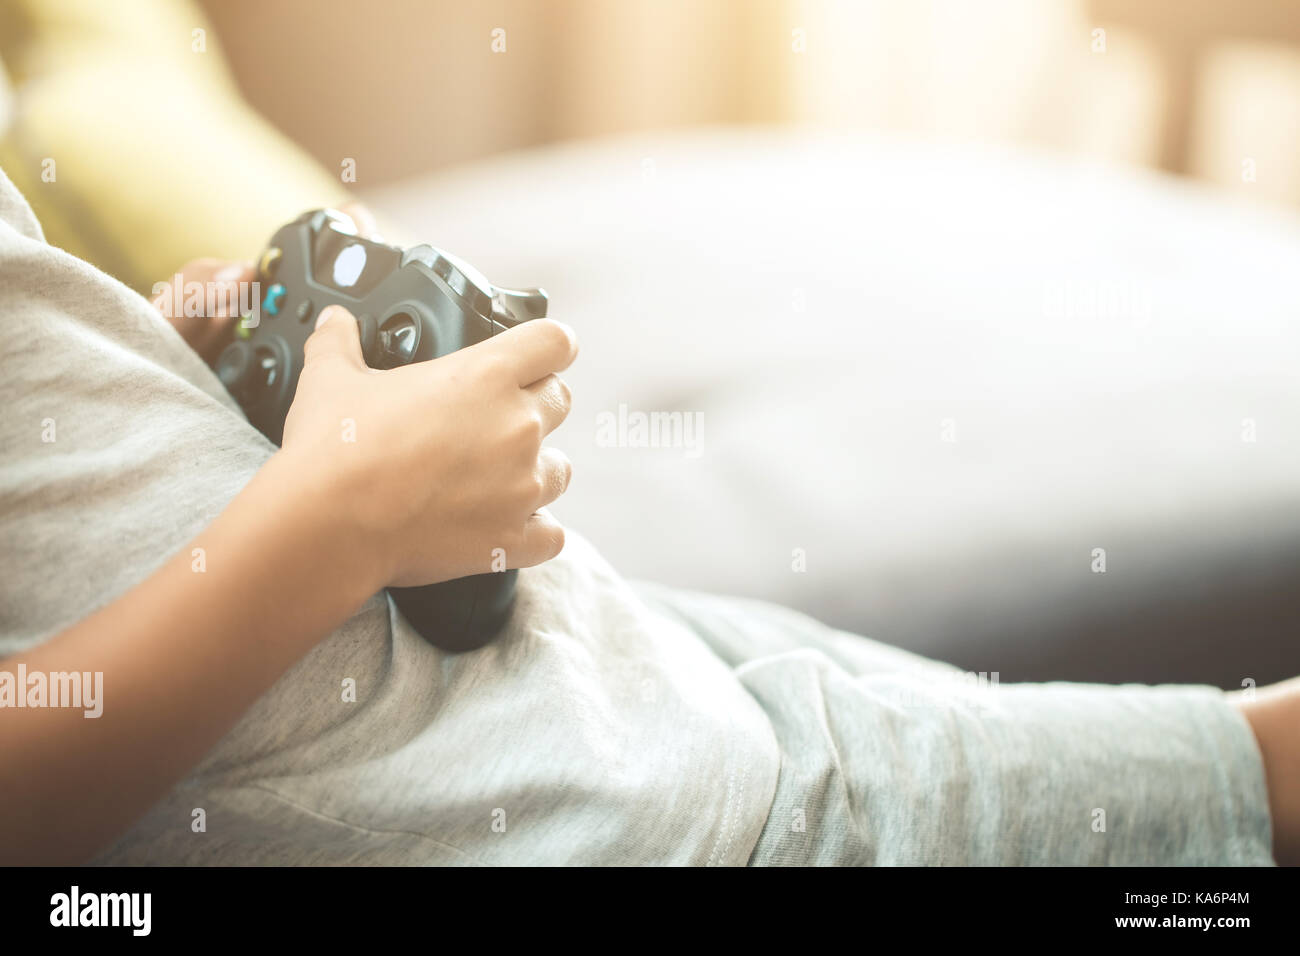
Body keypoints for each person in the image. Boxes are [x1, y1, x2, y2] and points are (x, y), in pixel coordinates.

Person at [0, 168, 1293, 866]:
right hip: (568, 808)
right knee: (1256, 779)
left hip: (615, 687)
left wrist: (154, 347)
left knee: (1227, 764)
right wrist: (352, 510)